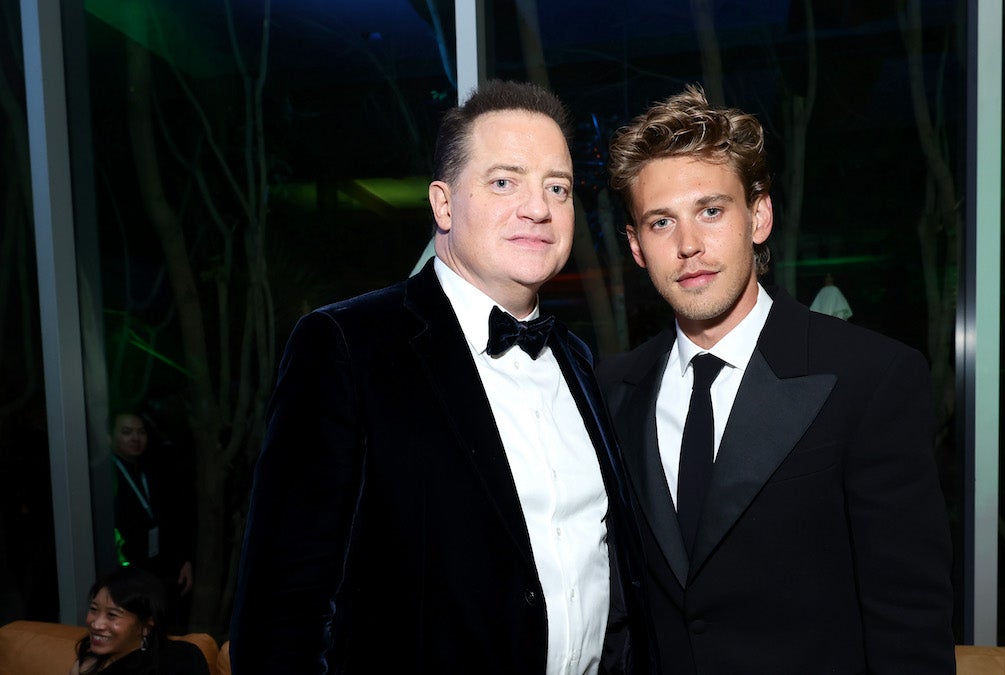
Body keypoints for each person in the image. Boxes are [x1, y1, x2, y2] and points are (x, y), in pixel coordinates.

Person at [230, 80, 652, 674]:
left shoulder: (577, 360)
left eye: (556, 187)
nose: (538, 207)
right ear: (443, 204)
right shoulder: (347, 346)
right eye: (504, 182)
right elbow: (282, 609)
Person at [597, 84, 955, 673]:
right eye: (661, 222)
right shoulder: (612, 391)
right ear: (637, 247)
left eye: (711, 211)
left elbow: (909, 621)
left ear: (758, 217)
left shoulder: (870, 378)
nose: (689, 246)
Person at [109, 412, 195, 633]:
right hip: (124, 574)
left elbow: (172, 517)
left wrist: (183, 560)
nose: (135, 438)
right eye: (127, 432)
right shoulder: (106, 475)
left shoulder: (151, 468)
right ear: (110, 437)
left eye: (141, 432)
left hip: (157, 570)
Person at [70, 566, 208, 675]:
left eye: (112, 615)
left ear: (145, 626)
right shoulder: (86, 666)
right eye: (94, 609)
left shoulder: (183, 658)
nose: (96, 624)